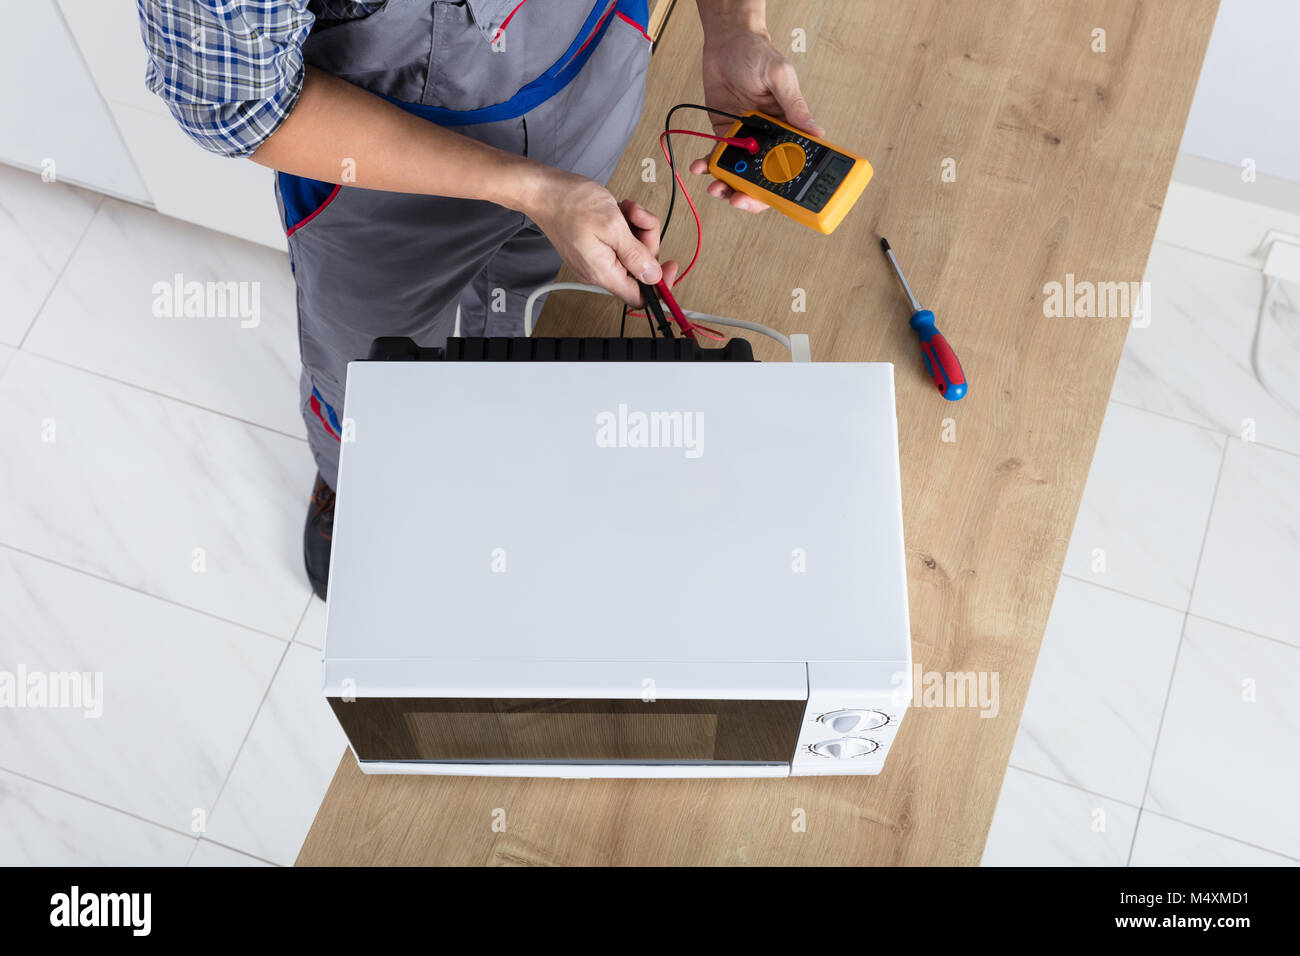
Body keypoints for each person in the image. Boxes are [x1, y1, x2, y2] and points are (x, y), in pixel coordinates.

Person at [137, 0, 823, 599]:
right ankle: (356, 484)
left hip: (590, 73)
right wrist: (531, 190)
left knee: (514, 298)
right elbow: (246, 105)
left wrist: (735, 24)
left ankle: (484, 417)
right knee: (372, 373)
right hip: (379, 166)